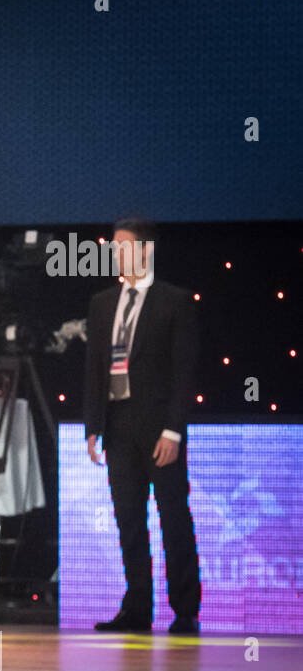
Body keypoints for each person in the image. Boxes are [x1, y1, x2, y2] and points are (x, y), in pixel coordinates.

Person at [85, 219, 201, 633]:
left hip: (157, 426)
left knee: (173, 515)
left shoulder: (175, 300)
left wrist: (174, 430)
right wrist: (93, 426)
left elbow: (184, 371)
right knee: (128, 518)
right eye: (113, 247)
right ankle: (136, 607)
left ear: (146, 250)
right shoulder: (102, 303)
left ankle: (185, 609)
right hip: (117, 422)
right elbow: (95, 367)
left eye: (123, 246)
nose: (116, 253)